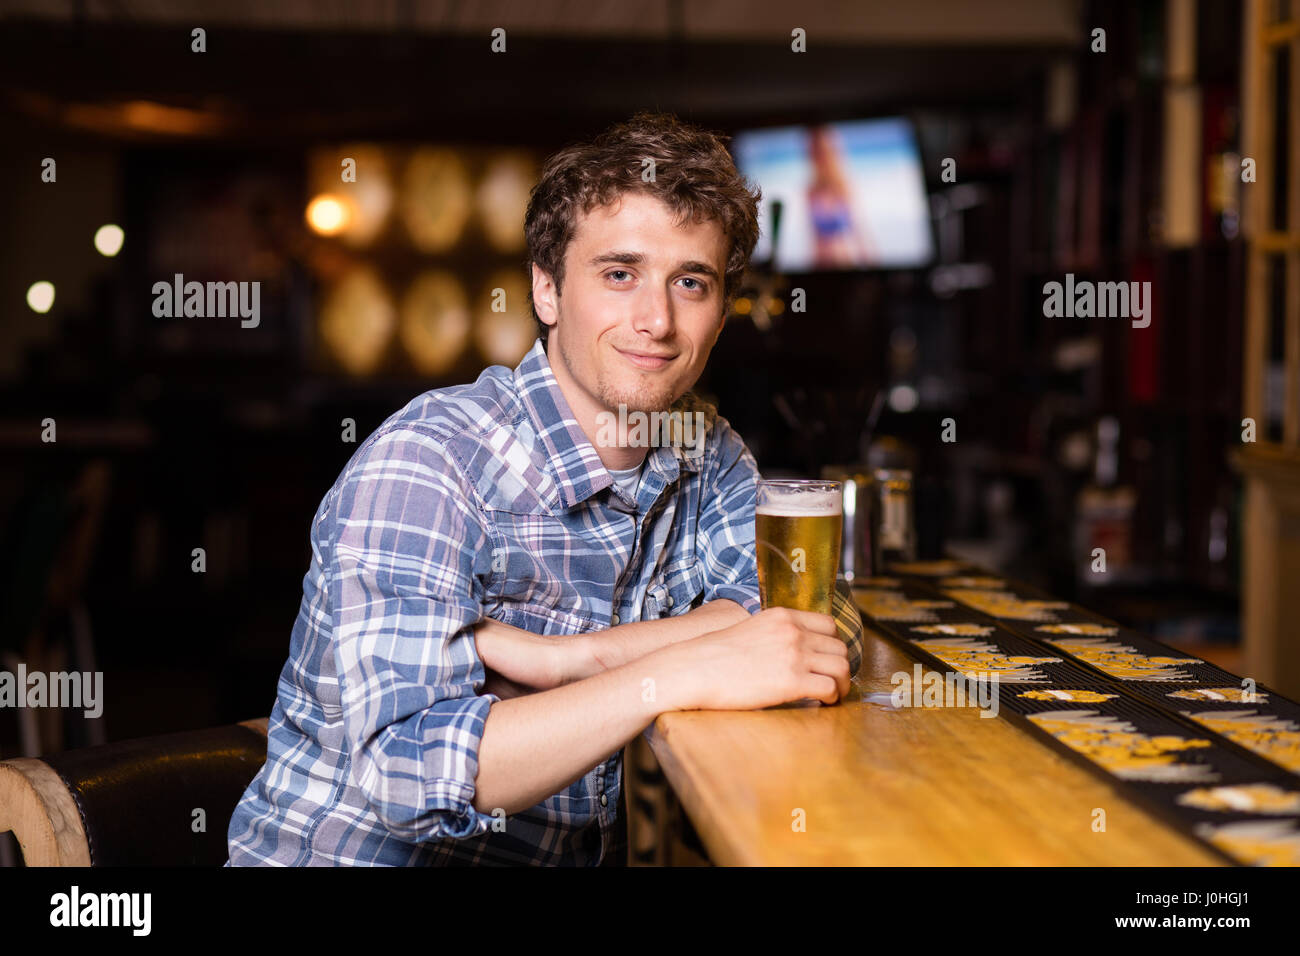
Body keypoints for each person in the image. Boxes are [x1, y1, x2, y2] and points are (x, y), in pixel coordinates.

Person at [227, 111, 863, 866]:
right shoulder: (431, 462)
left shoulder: (709, 453)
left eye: (689, 282)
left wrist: (577, 662)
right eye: (619, 273)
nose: (655, 319)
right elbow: (412, 775)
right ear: (547, 290)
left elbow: (816, 628)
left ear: (721, 316)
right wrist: (679, 669)